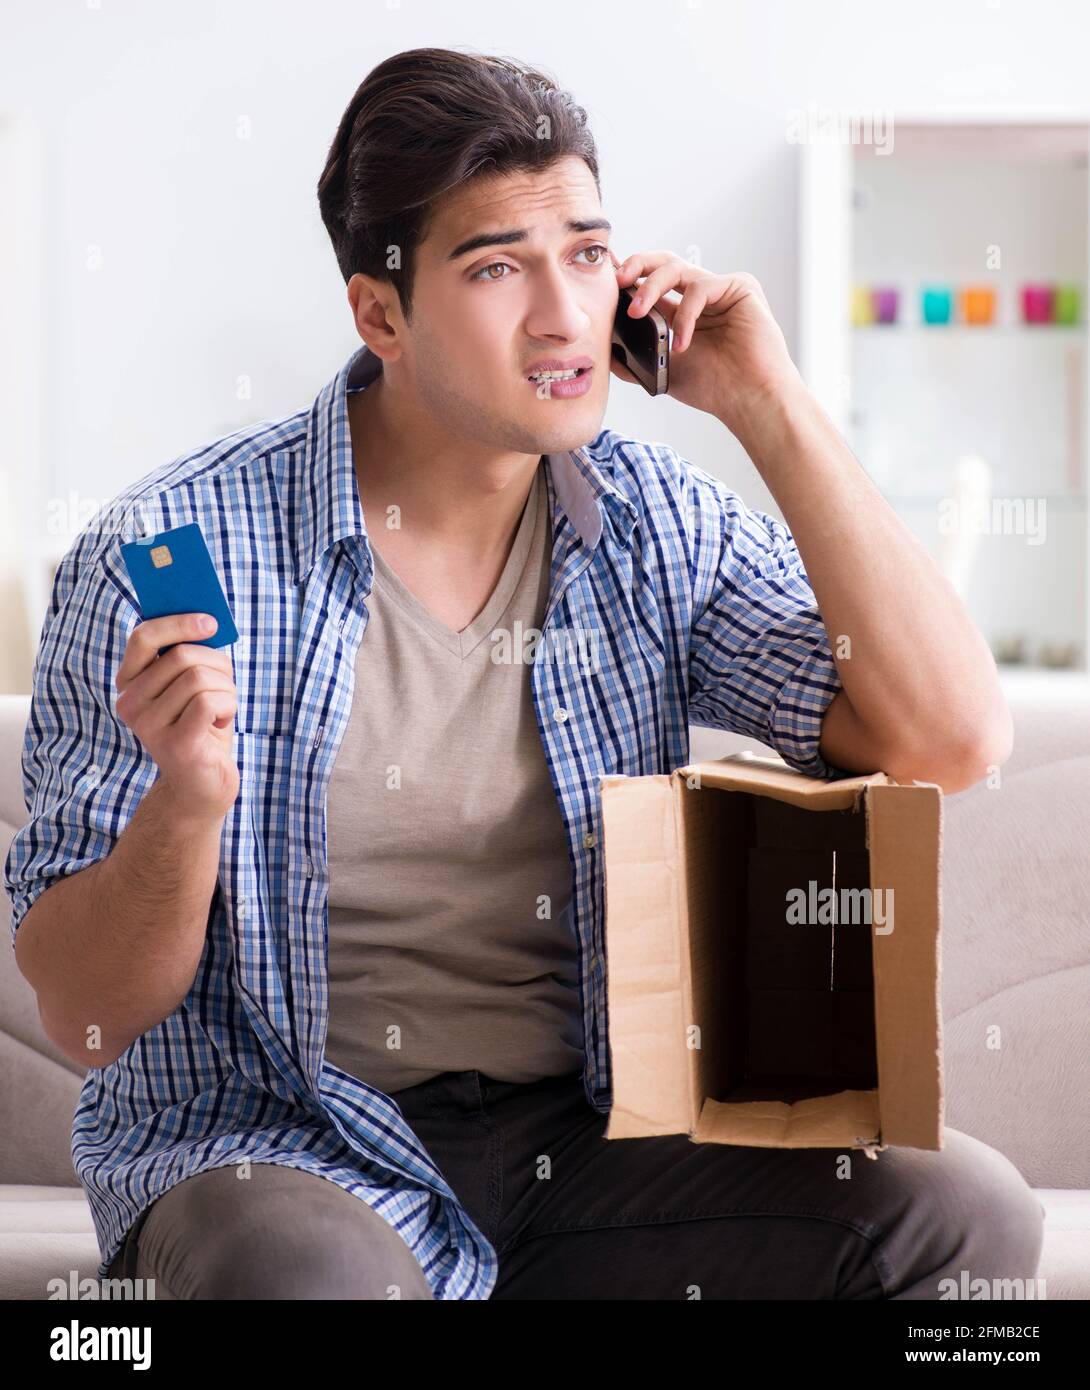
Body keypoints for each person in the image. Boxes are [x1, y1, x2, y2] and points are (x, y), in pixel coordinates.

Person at [6, 46, 1041, 1300]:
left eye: (590, 254)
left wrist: (764, 398)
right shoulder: (168, 556)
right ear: (378, 313)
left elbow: (950, 740)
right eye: (497, 266)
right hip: (286, 1145)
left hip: (593, 1144)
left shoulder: (658, 521)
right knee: (300, 1276)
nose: (565, 314)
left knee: (958, 1213)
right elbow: (86, 1010)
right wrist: (187, 803)